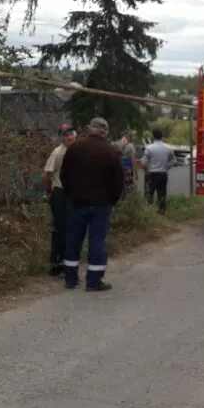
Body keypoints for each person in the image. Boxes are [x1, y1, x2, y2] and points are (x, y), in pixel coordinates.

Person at [59, 117, 124, 292]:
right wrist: (112, 200)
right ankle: (94, 281)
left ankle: (70, 279)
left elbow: (64, 175)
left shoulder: (74, 148)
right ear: (105, 132)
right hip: (101, 205)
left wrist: (70, 195)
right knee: (97, 242)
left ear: (90, 129)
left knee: (72, 240)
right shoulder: (111, 151)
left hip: (77, 203)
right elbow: (118, 182)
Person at [42, 124, 76, 275]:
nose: (69, 137)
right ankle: (56, 263)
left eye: (71, 134)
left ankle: (68, 262)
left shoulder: (78, 151)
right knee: (59, 228)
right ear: (61, 137)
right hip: (60, 193)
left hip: (74, 194)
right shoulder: (57, 152)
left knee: (72, 229)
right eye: (65, 135)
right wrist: (49, 191)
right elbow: (46, 174)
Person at [140, 128, 178, 214]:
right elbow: (174, 161)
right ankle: (161, 211)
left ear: (153, 136)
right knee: (162, 193)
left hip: (151, 174)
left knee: (149, 194)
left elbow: (143, 162)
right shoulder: (168, 148)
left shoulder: (149, 148)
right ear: (162, 136)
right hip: (162, 174)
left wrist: (146, 170)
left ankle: (148, 212)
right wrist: (166, 167)